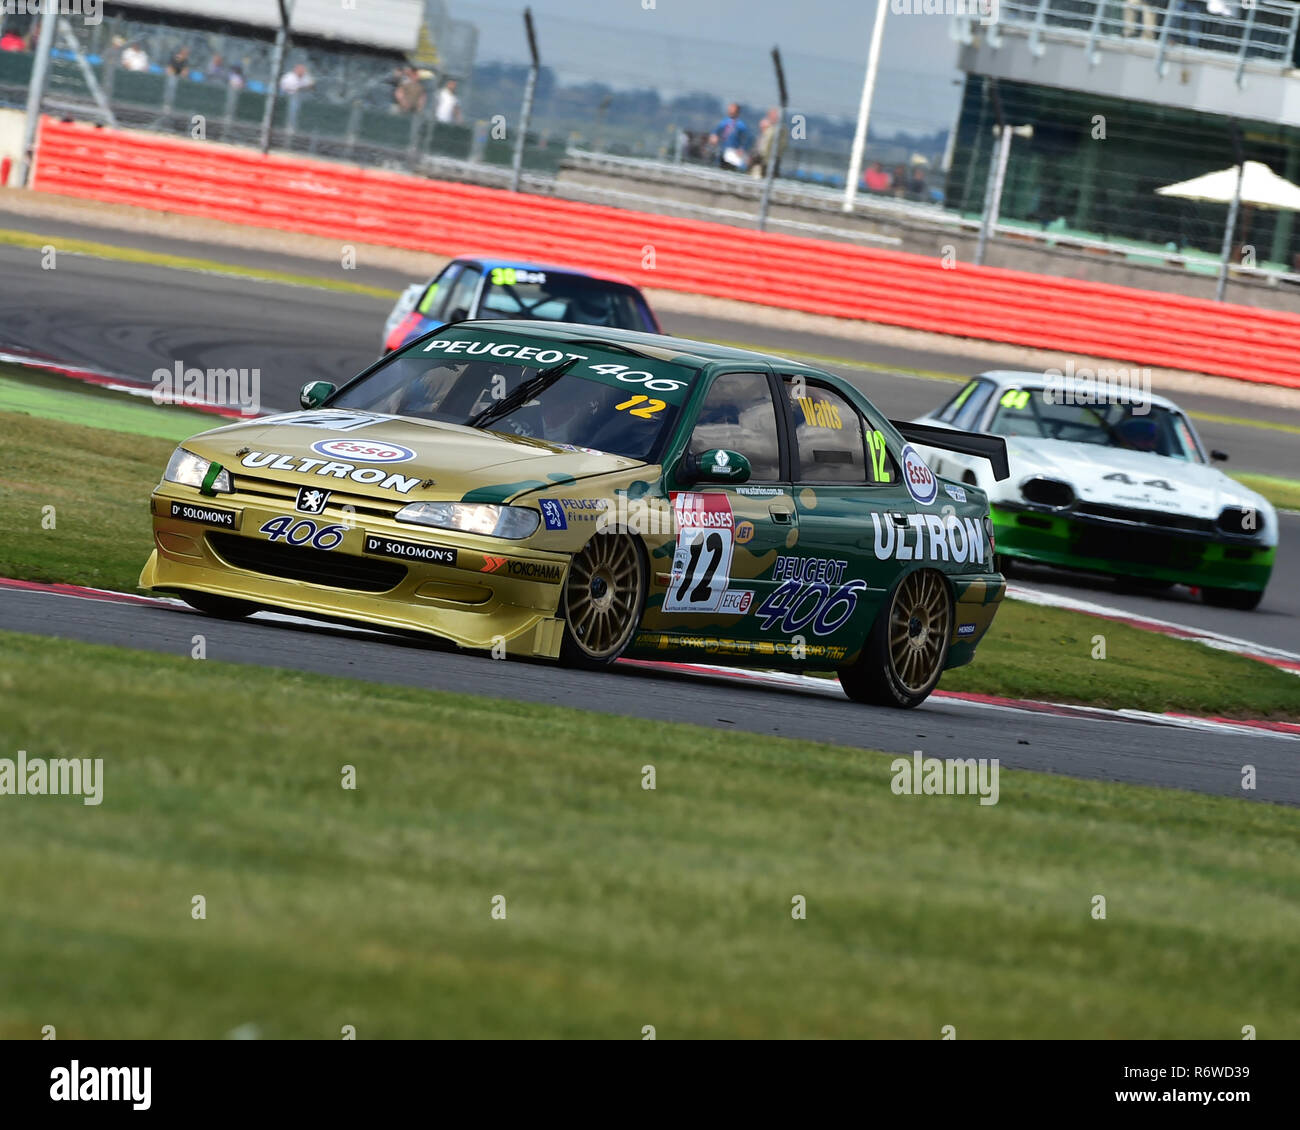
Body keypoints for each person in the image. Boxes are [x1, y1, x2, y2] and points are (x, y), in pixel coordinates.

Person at [708, 102, 750, 171]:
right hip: (722, 151)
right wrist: (714, 136)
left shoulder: (741, 125)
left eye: (732, 109)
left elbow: (747, 138)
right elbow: (716, 132)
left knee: (731, 169)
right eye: (730, 109)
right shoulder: (724, 122)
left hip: (733, 152)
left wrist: (742, 148)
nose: (730, 111)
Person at [748, 107, 783, 179]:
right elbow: (759, 148)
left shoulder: (778, 130)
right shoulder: (764, 133)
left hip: (767, 163)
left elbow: (771, 148)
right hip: (759, 163)